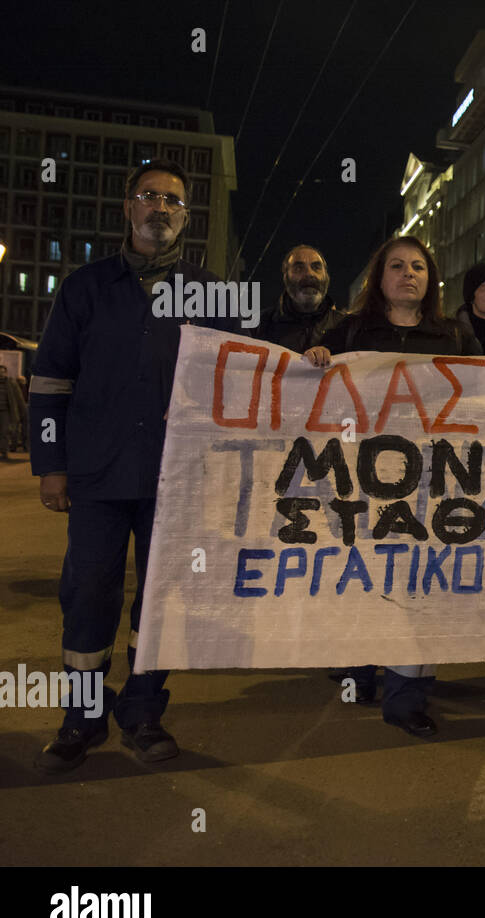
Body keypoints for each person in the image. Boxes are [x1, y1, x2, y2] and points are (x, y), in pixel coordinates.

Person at [28, 158, 240, 773]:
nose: (161, 208)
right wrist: (51, 463)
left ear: (185, 217)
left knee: (161, 597)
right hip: (95, 474)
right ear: (129, 208)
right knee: (88, 592)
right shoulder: (84, 287)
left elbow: (241, 379)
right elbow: (49, 382)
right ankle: (82, 717)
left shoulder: (214, 294)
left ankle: (144, 713)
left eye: (173, 201)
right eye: (149, 197)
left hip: (176, 479)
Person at [301, 237, 480, 738]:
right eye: (397, 266)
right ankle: (358, 672)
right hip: (359, 480)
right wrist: (313, 357)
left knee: (420, 585)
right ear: (379, 278)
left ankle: (407, 699)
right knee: (362, 575)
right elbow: (301, 388)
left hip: (431, 482)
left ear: (431, 279)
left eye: (418, 267)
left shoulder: (453, 337)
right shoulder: (350, 330)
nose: (408, 274)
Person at [255, 244, 348, 352]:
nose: (309, 274)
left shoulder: (347, 327)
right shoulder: (260, 326)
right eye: (299, 268)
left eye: (316, 267)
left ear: (326, 277)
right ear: (286, 277)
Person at [0, 363, 25, 459]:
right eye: (0, 372)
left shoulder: (11, 383)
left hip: (5, 412)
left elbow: (19, 399)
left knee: (5, 431)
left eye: (3, 372)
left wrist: (21, 412)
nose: (1, 374)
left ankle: (4, 452)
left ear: (6, 373)